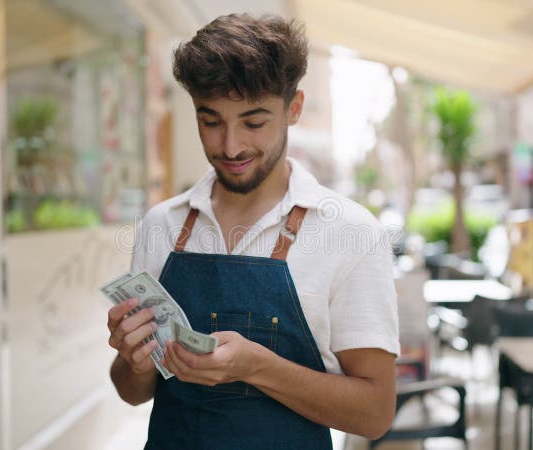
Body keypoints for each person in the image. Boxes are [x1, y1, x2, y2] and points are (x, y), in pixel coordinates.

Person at [107, 13, 399, 449]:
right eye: (211, 121)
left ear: (294, 108)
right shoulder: (160, 225)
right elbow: (132, 393)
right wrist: (135, 359)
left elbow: (374, 414)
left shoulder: (351, 233)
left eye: (253, 122)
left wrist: (257, 367)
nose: (230, 146)